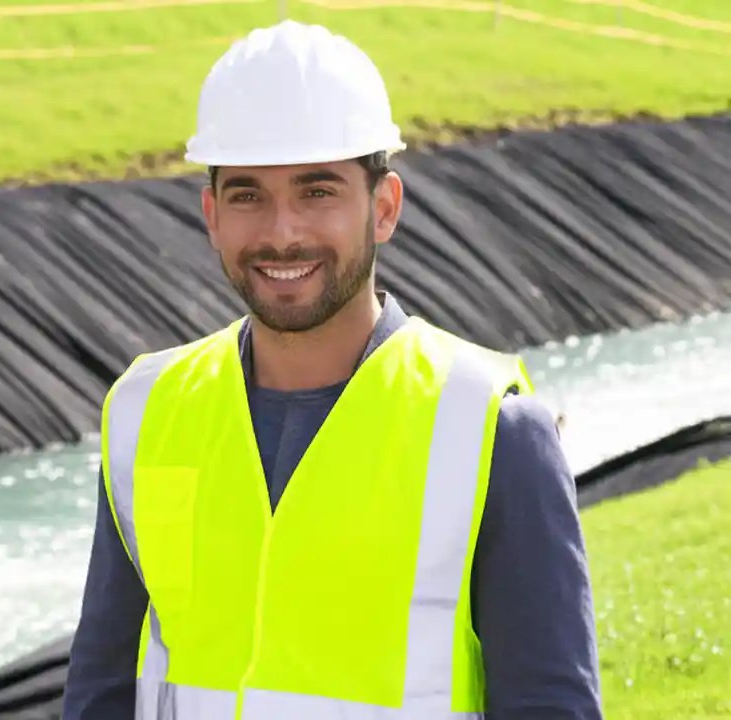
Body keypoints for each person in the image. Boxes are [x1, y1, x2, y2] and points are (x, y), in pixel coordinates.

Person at [62, 20, 603, 720]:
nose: (282, 232)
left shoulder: (490, 427)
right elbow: (100, 692)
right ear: (211, 216)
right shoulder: (147, 412)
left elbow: (550, 705)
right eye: (248, 195)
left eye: (317, 192)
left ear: (383, 208)